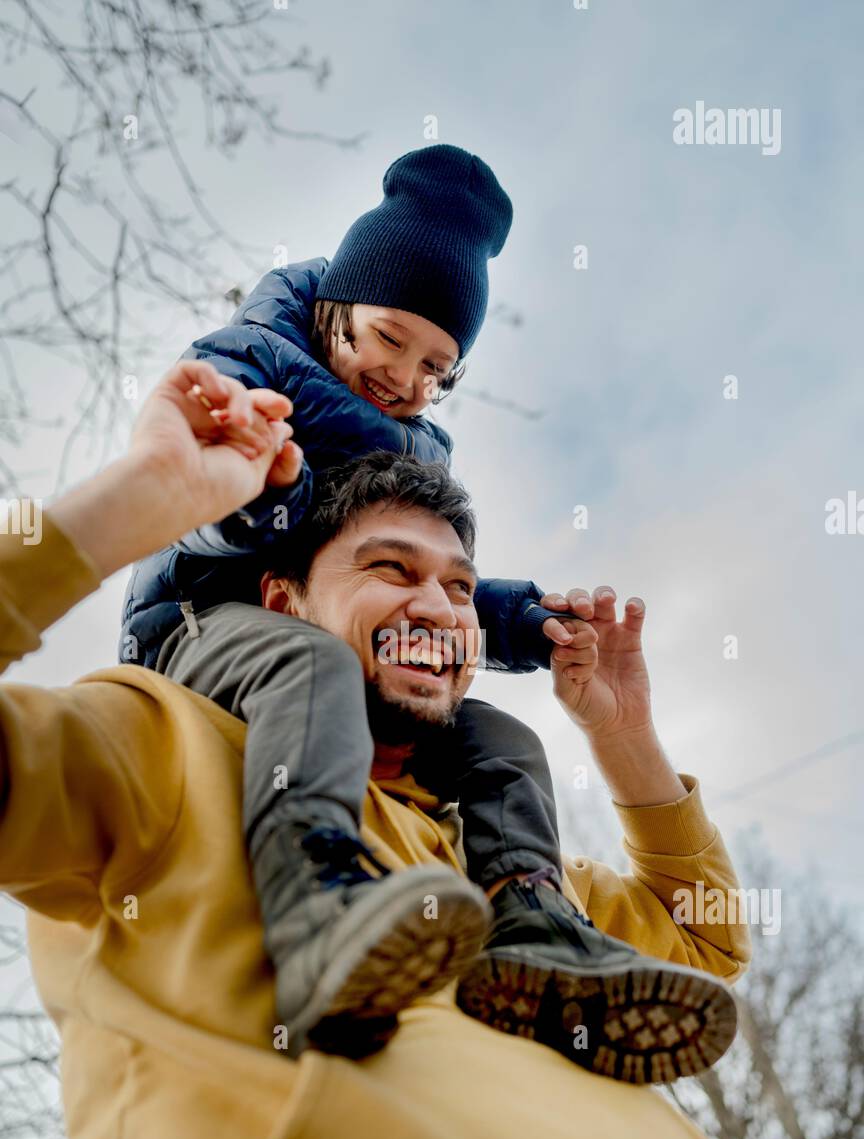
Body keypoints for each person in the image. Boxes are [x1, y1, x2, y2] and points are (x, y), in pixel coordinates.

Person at [1, 365, 750, 1139]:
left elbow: (706, 940)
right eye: (391, 569)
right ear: (283, 606)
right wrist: (133, 503)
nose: (438, 608)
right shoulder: (166, 750)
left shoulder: (498, 850)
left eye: (463, 589)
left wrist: (625, 735)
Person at [117, 145, 733, 1074]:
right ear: (335, 309)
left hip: (320, 668)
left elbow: (714, 945)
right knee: (312, 664)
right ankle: (318, 893)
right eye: (388, 338)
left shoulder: (414, 454)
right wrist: (261, 502)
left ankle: (531, 921)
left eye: (438, 366)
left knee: (499, 738)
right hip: (199, 624)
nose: (405, 378)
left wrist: (521, 625)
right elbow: (195, 502)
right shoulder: (250, 364)